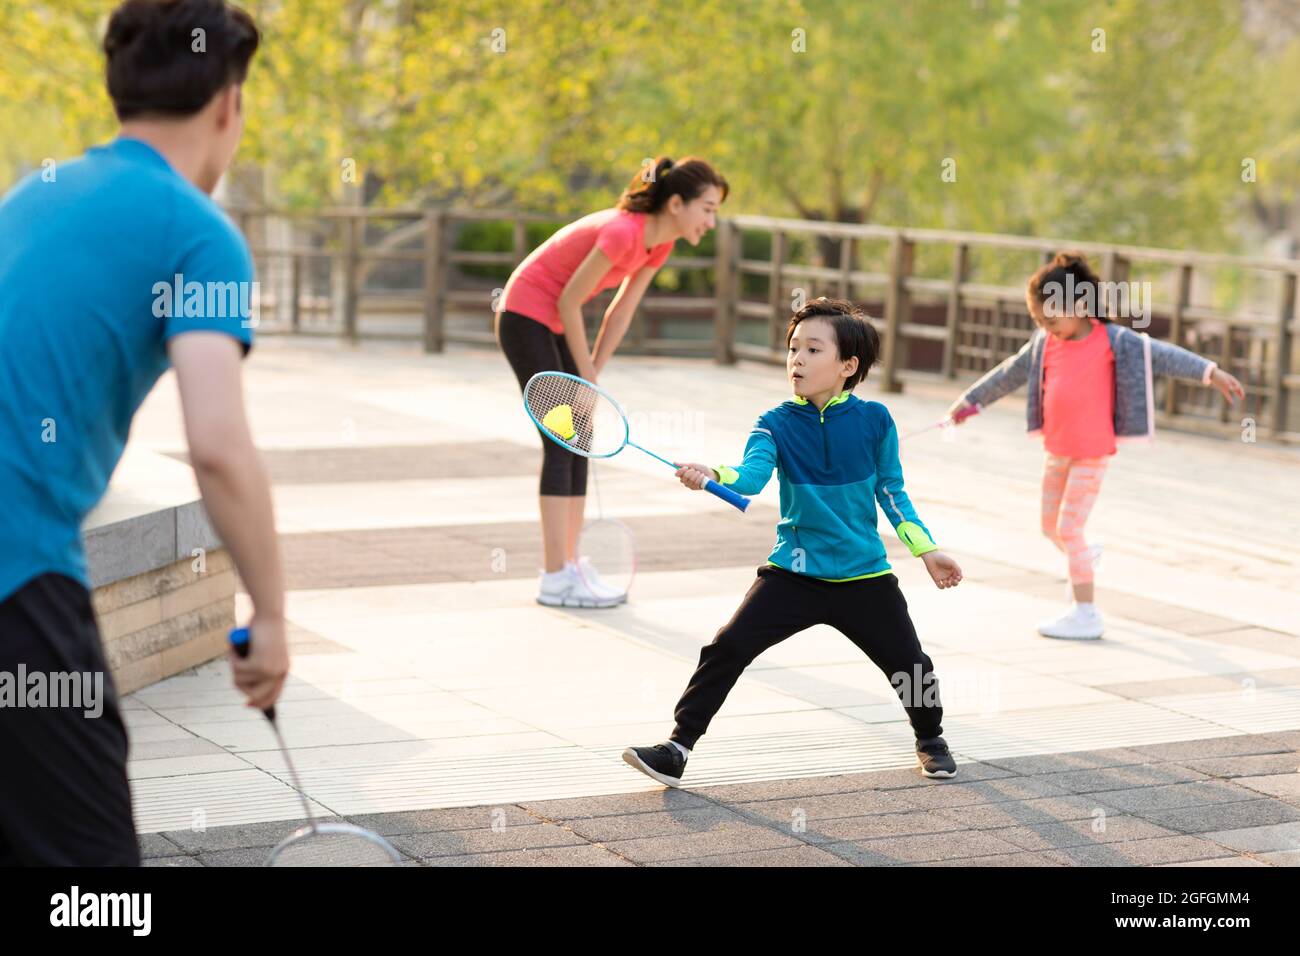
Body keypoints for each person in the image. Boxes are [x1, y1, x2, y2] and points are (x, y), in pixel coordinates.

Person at [0, 0, 288, 865]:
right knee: (94, 879)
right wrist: (270, 613)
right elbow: (217, 445)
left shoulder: (31, 195)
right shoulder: (199, 235)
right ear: (229, 103)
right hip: (16, 568)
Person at [623, 298, 963, 787]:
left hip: (863, 575)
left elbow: (893, 493)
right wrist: (712, 474)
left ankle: (930, 739)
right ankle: (676, 749)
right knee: (726, 648)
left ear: (848, 366)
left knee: (911, 665)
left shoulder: (875, 421)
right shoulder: (775, 422)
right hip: (793, 573)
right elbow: (750, 475)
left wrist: (927, 551)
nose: (796, 360)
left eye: (812, 349)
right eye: (792, 348)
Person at [947, 252, 1245, 640]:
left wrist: (1211, 372)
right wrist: (969, 404)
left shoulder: (1115, 341)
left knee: (1070, 529)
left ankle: (1085, 613)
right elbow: (1007, 375)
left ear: (1082, 305)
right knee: (1049, 528)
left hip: (1092, 452)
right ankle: (1087, 556)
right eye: (1039, 320)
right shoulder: (1044, 345)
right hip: (1056, 451)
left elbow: (1165, 356)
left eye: (1051, 318)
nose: (1046, 327)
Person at [496, 156, 728, 608]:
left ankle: (571, 566)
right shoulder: (623, 233)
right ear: (676, 204)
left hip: (554, 323)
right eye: (708, 208)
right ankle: (554, 575)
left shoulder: (658, 245)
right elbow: (568, 301)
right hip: (525, 317)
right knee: (562, 441)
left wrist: (593, 376)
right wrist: (584, 377)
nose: (712, 222)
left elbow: (620, 311)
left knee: (581, 438)